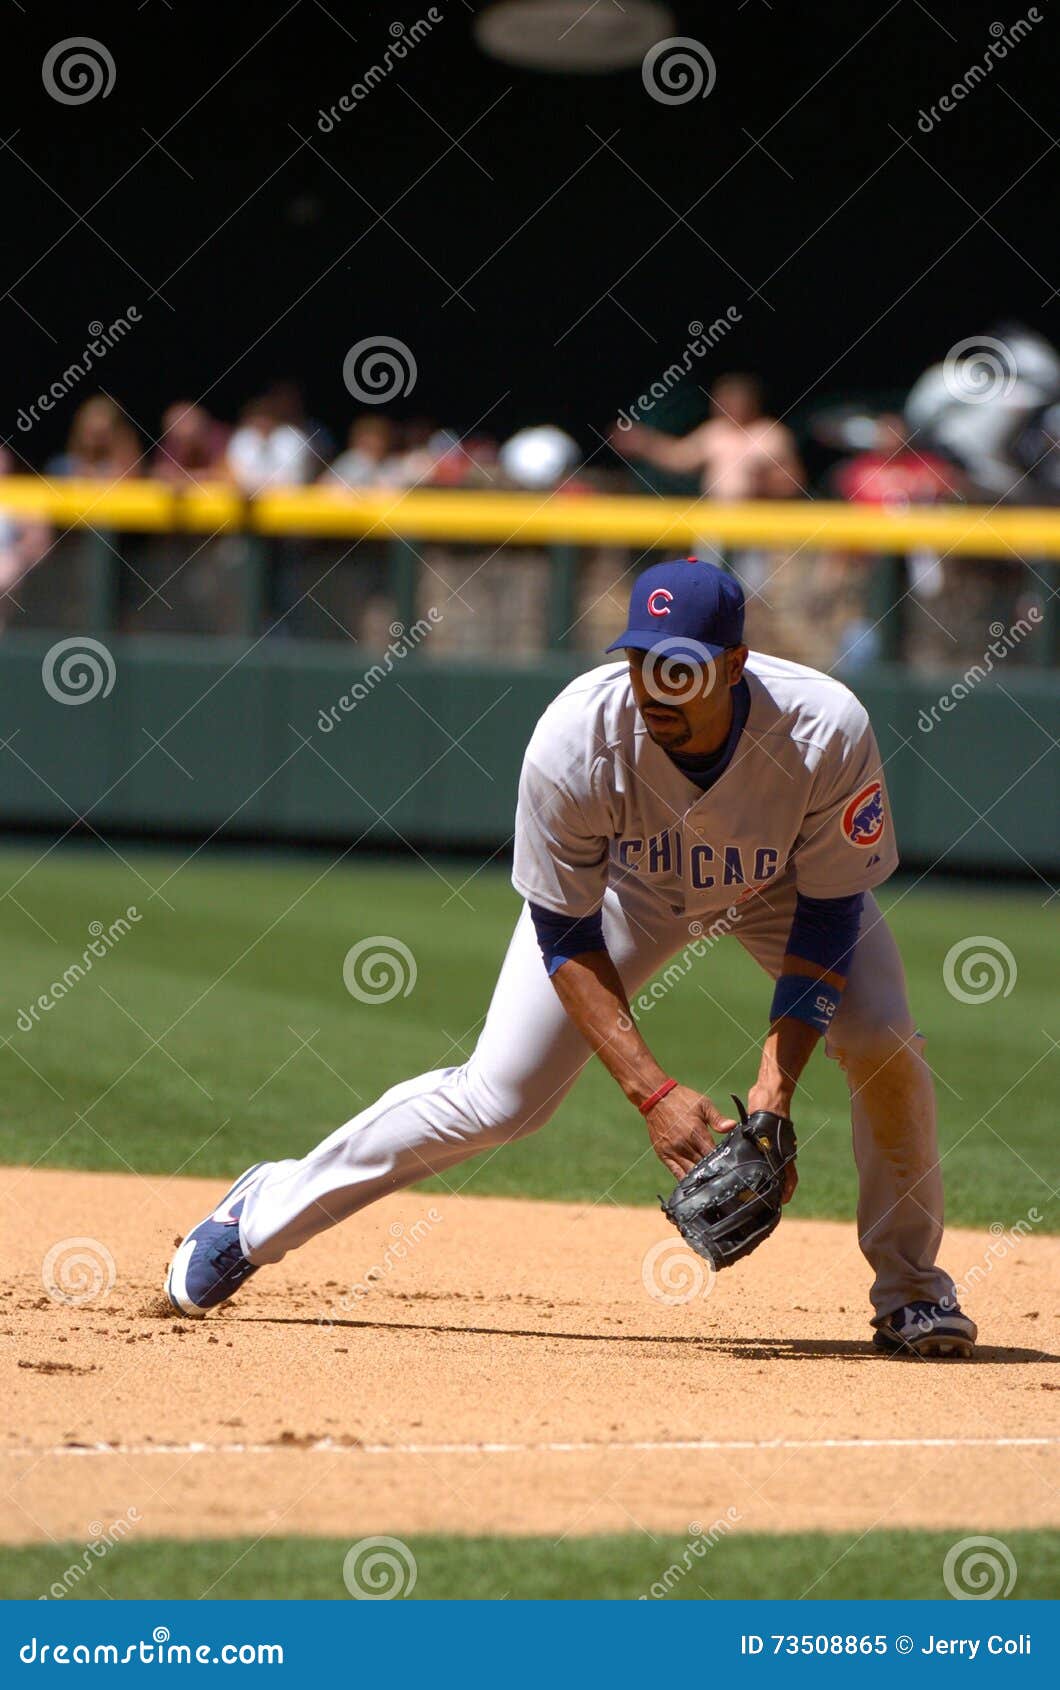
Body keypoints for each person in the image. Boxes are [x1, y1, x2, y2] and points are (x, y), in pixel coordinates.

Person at [165, 557, 976, 1359]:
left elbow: (831, 917)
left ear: (733, 664)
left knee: (881, 1035)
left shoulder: (823, 727)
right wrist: (651, 1090)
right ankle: (262, 1211)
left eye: (681, 667)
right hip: (627, 892)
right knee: (503, 1098)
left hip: (783, 891)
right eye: (640, 659)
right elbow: (565, 932)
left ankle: (912, 1291)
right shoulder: (574, 735)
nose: (656, 685)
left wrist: (773, 1095)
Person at [611, 374, 803, 500]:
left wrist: (766, 482)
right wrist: (644, 442)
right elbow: (679, 457)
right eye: (723, 400)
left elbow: (793, 482)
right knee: (710, 563)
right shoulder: (715, 432)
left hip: (760, 522)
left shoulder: (771, 434)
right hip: (716, 519)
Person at [225, 396, 314, 493]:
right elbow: (233, 476)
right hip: (251, 501)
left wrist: (253, 483)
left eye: (266, 414)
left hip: (289, 502)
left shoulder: (293, 437)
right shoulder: (243, 437)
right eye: (257, 414)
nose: (262, 420)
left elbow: (292, 479)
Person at [47, 395, 141, 480]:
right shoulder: (60, 467)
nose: (95, 440)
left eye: (101, 434)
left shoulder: (122, 469)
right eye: (90, 431)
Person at [152, 401, 229, 486]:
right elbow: (161, 472)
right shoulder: (172, 443)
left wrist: (183, 478)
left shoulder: (220, 439)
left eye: (185, 422)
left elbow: (225, 475)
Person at [323, 416, 403, 489]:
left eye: (377, 438)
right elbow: (324, 485)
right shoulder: (350, 459)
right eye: (368, 438)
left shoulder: (393, 463)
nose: (373, 443)